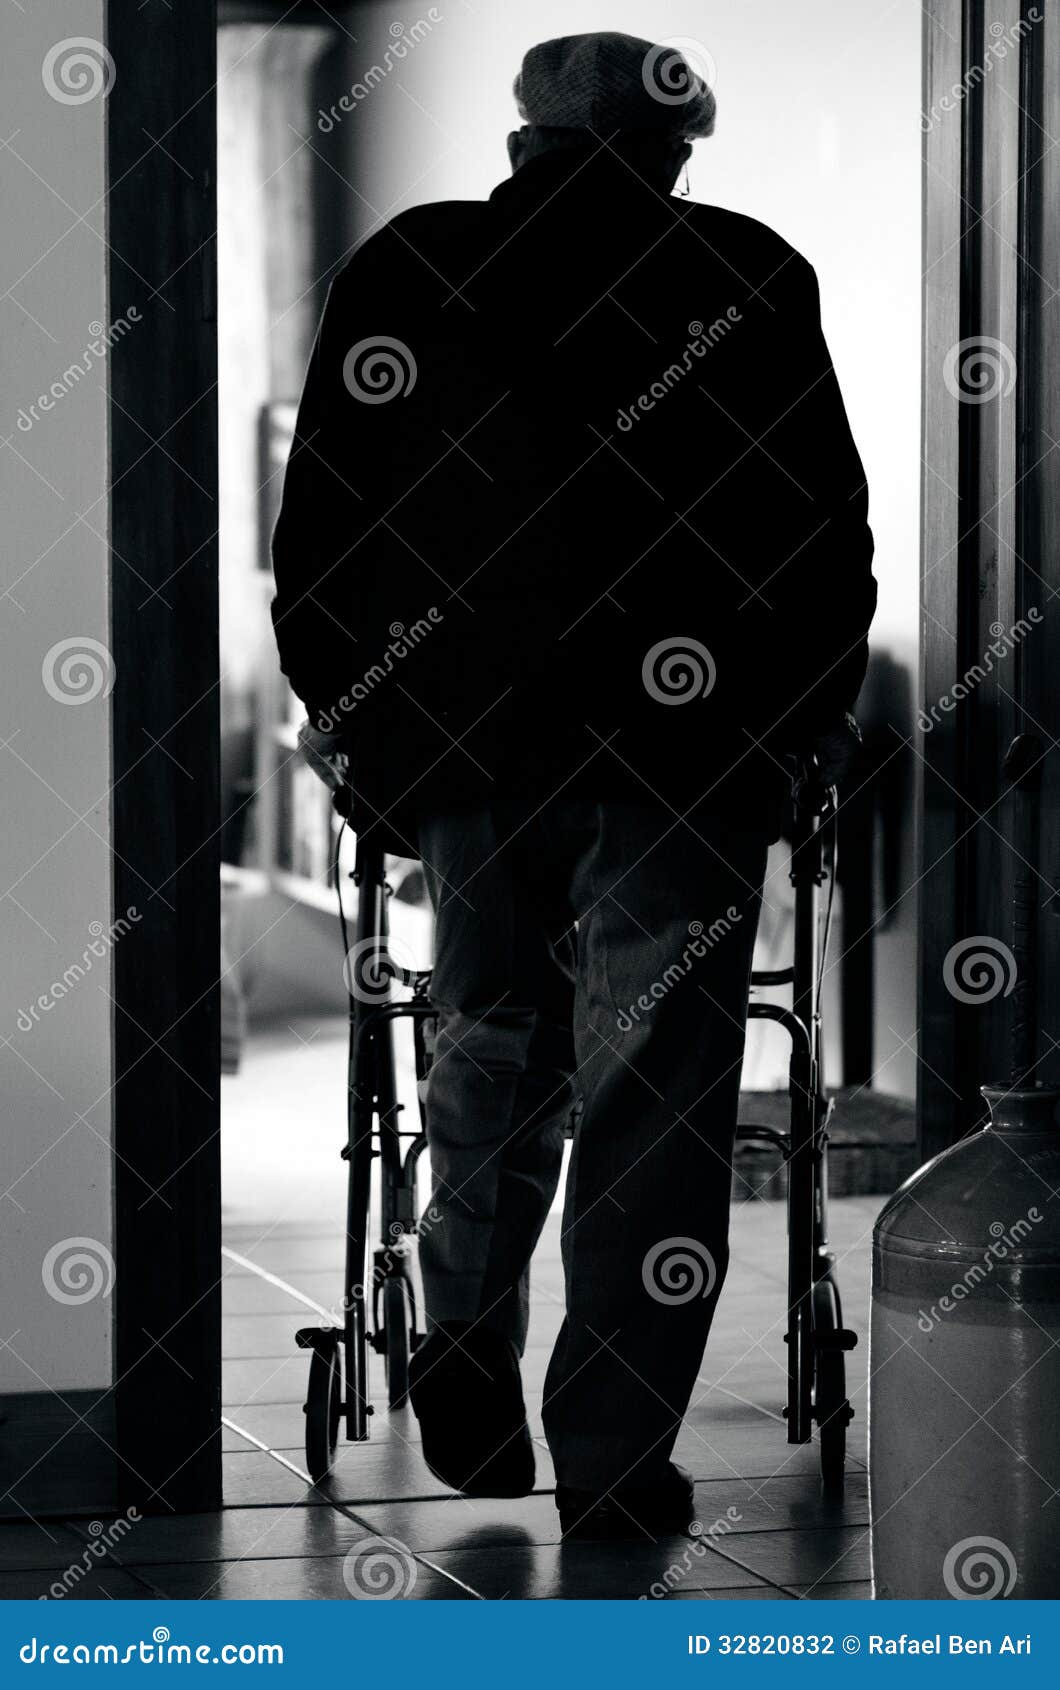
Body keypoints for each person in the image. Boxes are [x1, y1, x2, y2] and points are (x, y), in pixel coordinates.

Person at [272, 31, 875, 1540]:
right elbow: (826, 540)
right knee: (655, 1094)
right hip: (687, 753)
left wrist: (364, 738)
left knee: (490, 1048)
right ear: (674, 150)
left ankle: (465, 1320)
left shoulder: (416, 266)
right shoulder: (750, 274)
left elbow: (327, 533)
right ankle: (610, 1451)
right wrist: (790, 729)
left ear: (526, 141)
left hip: (475, 748)